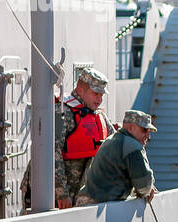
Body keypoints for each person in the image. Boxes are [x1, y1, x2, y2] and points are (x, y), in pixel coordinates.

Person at [22, 66, 113, 210]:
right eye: (95, 93)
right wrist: (61, 193)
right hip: (51, 194)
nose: (99, 99)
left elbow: (118, 146)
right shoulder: (62, 112)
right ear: (80, 90)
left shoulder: (98, 116)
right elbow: (51, 152)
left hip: (77, 194)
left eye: (102, 95)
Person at [78, 110, 158, 205]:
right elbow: (143, 185)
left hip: (85, 202)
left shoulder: (110, 140)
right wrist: (148, 189)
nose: (148, 136)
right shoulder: (132, 146)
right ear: (130, 128)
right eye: (144, 130)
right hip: (103, 205)